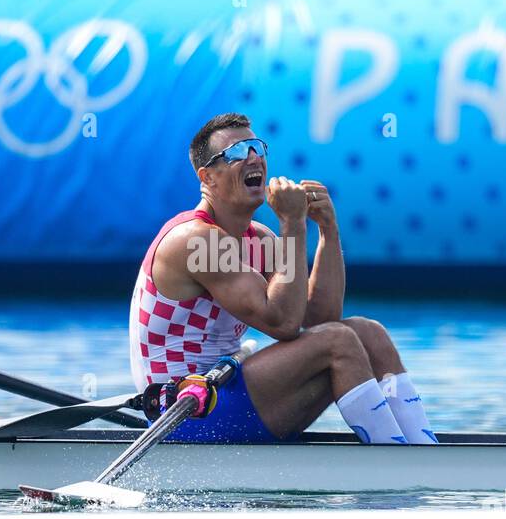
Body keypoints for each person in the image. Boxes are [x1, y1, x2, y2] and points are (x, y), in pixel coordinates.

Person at [128, 113, 437, 445]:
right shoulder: (196, 240)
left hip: (225, 394)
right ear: (208, 177)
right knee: (338, 342)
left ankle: (422, 448)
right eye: (236, 152)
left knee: (366, 332)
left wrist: (328, 232)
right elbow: (285, 324)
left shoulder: (257, 239)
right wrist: (292, 223)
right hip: (189, 414)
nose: (253, 157)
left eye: (257, 148)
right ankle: (396, 464)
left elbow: (319, 318)